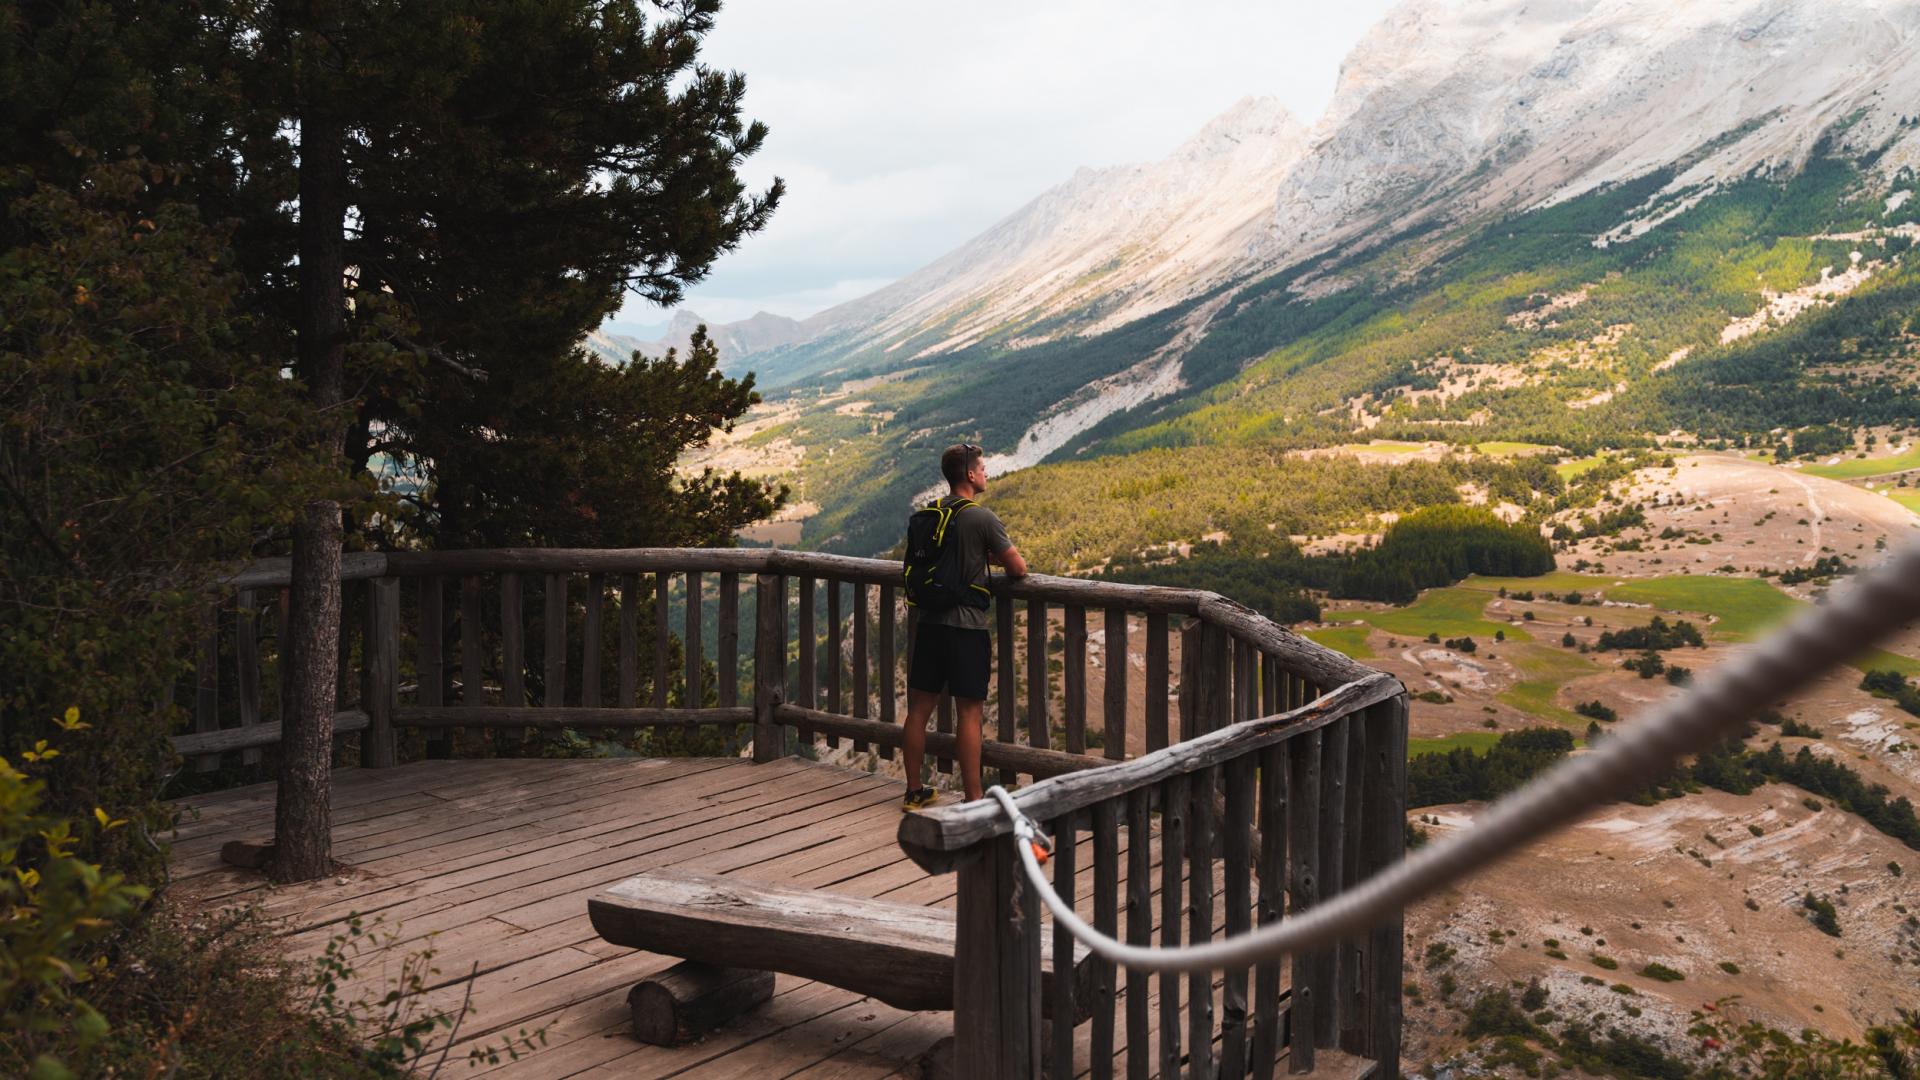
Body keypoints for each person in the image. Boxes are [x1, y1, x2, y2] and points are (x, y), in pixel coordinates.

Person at [902, 442, 1026, 809]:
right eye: (983, 468)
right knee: (969, 713)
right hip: (966, 627)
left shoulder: (932, 513)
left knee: (918, 711)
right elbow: (1018, 569)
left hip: (929, 624)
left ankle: (913, 790)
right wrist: (995, 559)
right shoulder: (981, 518)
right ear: (970, 475)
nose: (986, 473)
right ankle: (973, 799)